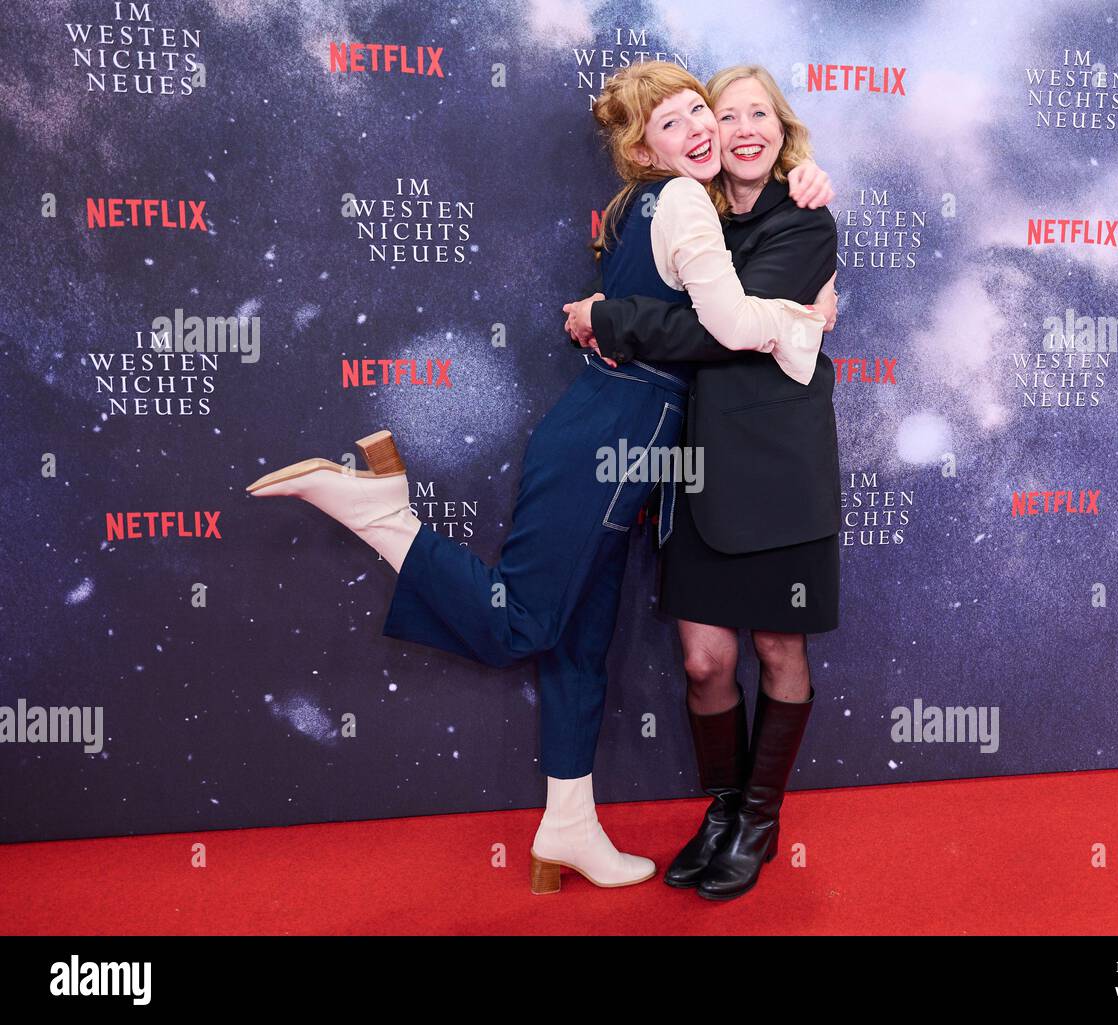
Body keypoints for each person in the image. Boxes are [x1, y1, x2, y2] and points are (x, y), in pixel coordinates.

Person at [245, 60, 837, 896]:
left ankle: (568, 819)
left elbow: (680, 310)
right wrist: (799, 320)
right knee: (522, 624)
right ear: (641, 149)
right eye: (673, 123)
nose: (703, 128)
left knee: (577, 641)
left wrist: (608, 315)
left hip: (635, 438)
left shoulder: (674, 206)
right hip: (620, 430)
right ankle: (384, 514)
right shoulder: (676, 201)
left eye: (701, 109)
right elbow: (730, 326)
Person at [563, 64, 841, 901]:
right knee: (704, 657)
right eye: (727, 114)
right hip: (699, 463)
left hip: (783, 467)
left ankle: (759, 820)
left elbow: (722, 331)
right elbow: (709, 321)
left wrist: (606, 316)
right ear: (703, 131)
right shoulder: (687, 207)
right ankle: (722, 810)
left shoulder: (808, 221)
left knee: (776, 646)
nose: (742, 127)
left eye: (760, 112)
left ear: (782, 126)